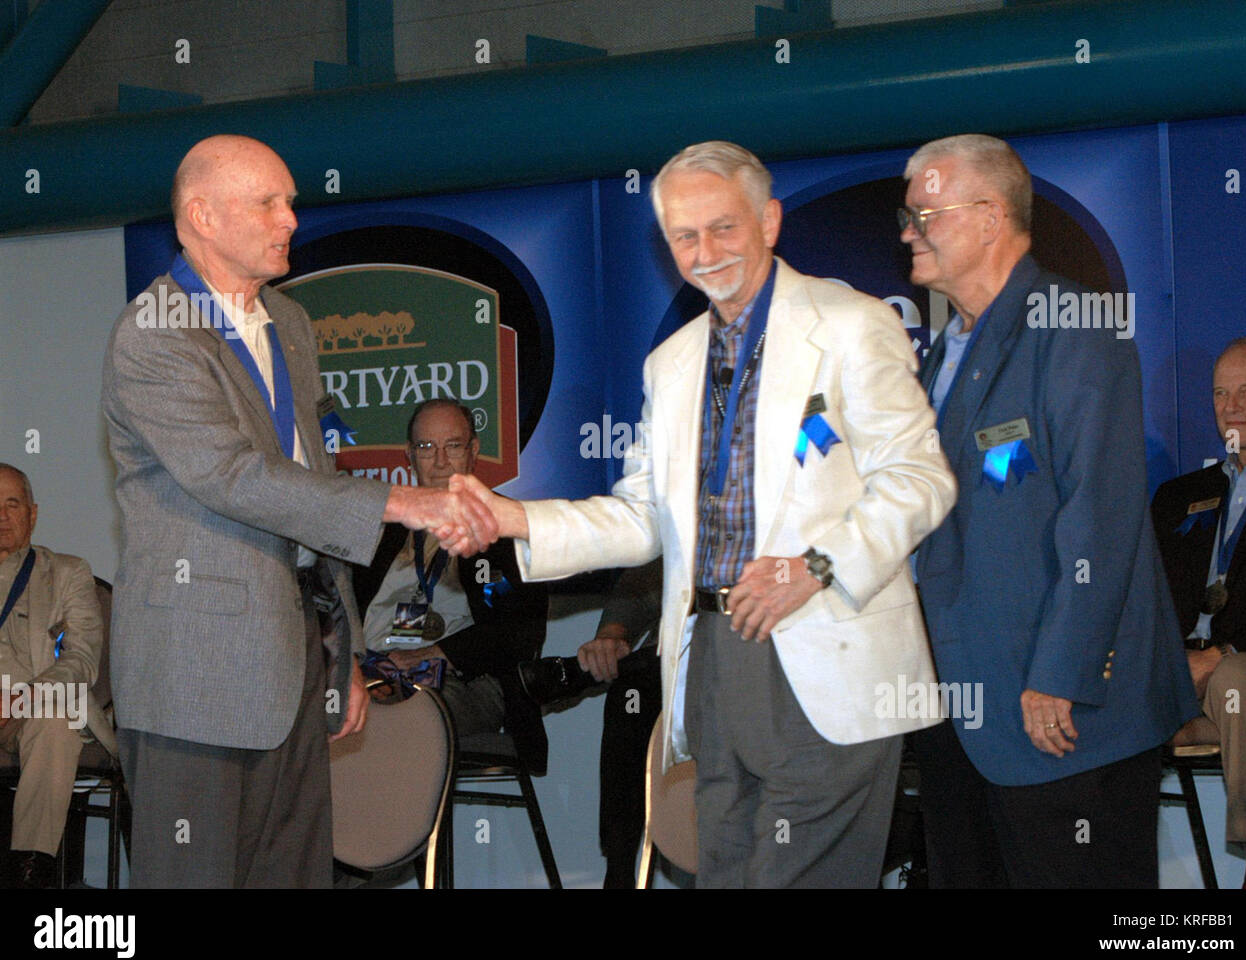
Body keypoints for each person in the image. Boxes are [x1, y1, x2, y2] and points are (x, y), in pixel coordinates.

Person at [456, 140, 956, 887]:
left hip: (829, 656)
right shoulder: (674, 361)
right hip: (712, 659)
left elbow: (922, 478)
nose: (706, 251)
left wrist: (815, 568)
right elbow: (641, 518)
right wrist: (513, 520)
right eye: (685, 236)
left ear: (770, 220)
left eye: (723, 227)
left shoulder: (849, 324)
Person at [100, 134, 497, 888]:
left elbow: (309, 485)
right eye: (268, 202)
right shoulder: (150, 336)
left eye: (291, 201)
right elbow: (232, 477)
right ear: (203, 216)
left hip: (294, 670)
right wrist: (400, 501)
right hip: (197, 680)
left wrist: (340, 650)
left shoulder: (289, 323)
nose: (290, 219)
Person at [906, 133, 1199, 888]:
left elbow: (1099, 516)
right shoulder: (939, 355)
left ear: (989, 217)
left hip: (1061, 711)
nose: (909, 230)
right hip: (958, 712)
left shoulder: (1074, 326)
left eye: (924, 212)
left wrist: (1062, 674)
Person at [353, 399, 549, 775]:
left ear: (473, 451)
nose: (441, 461)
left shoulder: (504, 529)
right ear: (409, 456)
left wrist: (440, 652)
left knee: (398, 718)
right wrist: (360, 672)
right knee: (326, 710)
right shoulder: (380, 533)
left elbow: (519, 631)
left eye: (453, 446)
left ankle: (402, 833)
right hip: (375, 671)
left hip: (464, 680)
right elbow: (338, 611)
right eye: (427, 448)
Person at [1151, 336, 1246, 888]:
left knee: (1237, 681)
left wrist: (1221, 653)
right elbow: (1144, 596)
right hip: (1181, 673)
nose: (1231, 406)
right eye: (1220, 393)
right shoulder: (1179, 496)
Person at [0, 463, 116, 887]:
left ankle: (31, 871)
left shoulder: (68, 573)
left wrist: (18, 699)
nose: (1, 516)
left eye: (12, 504)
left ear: (33, 514)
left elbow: (81, 660)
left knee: (57, 722)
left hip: (33, 706)